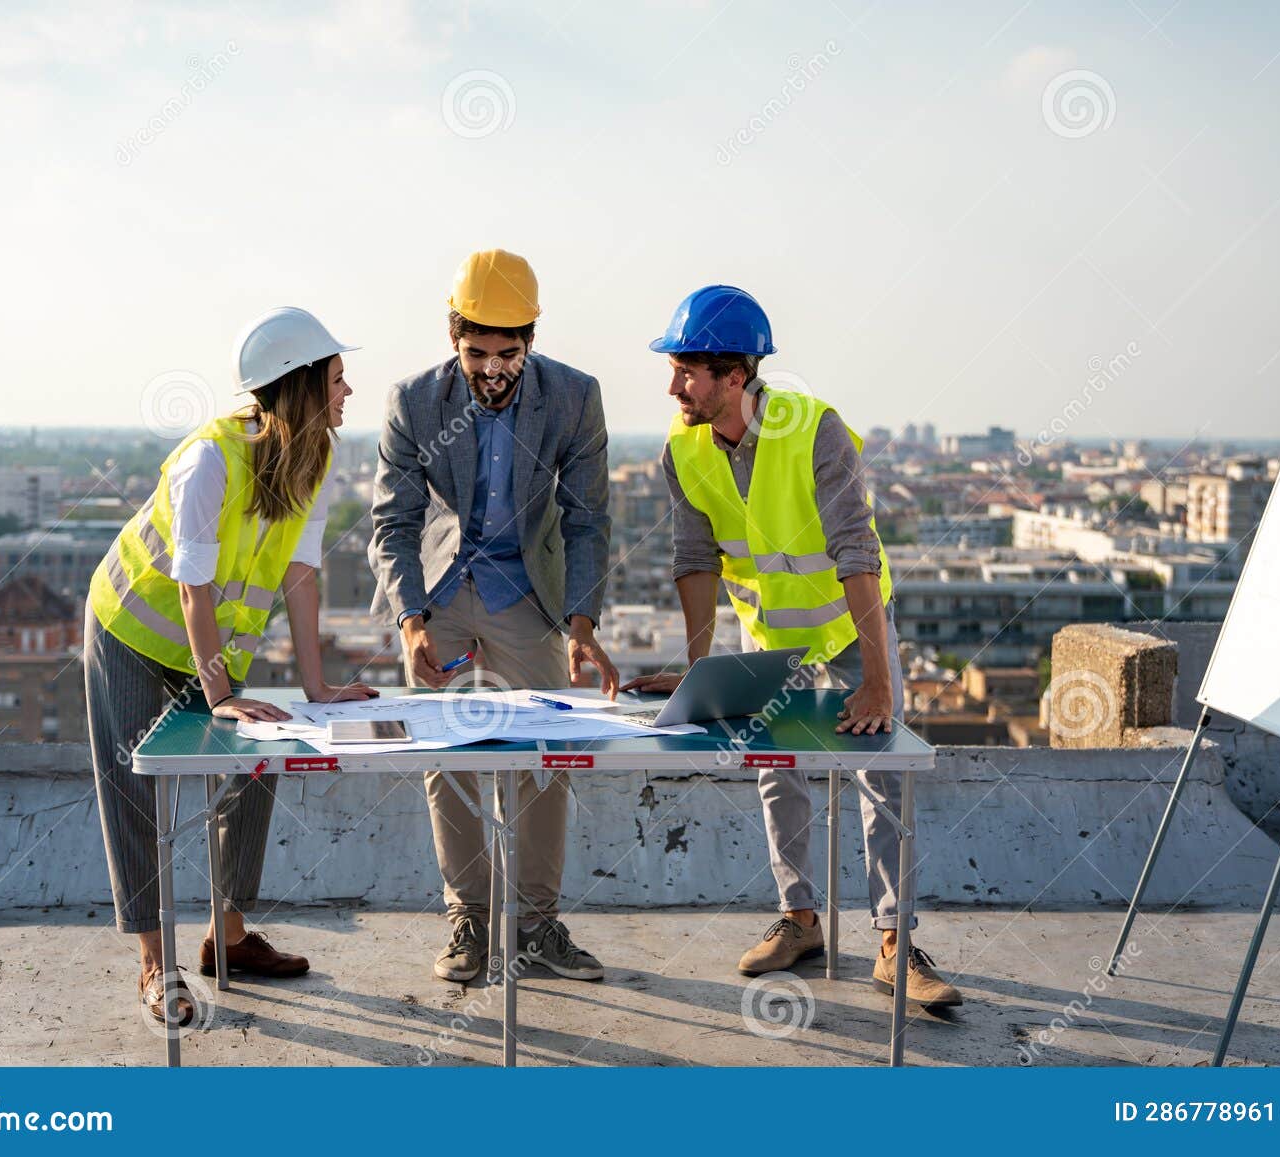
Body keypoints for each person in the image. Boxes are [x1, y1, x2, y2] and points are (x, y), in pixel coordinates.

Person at [623, 285, 962, 1007]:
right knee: (776, 772)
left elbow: (855, 552)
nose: (674, 384)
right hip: (769, 636)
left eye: (687, 369)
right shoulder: (682, 451)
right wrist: (698, 673)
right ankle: (801, 919)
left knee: (883, 771)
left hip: (848, 626)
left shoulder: (815, 431)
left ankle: (898, 941)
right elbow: (695, 559)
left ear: (735, 374)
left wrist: (876, 679)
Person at [85, 306, 379, 1025]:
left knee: (254, 765)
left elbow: (301, 576)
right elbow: (191, 585)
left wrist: (317, 687)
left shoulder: (317, 458)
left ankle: (230, 938)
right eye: (338, 379)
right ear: (302, 385)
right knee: (134, 785)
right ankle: (157, 963)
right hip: (131, 626)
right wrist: (219, 695)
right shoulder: (210, 458)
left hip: (210, 645)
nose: (349, 392)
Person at [369, 248, 618, 983]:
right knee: (444, 753)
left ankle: (537, 926)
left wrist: (582, 627)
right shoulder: (414, 400)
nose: (493, 371)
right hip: (443, 587)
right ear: (454, 340)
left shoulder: (574, 398)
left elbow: (587, 520)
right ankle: (470, 921)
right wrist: (411, 623)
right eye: (476, 354)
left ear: (531, 341)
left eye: (508, 354)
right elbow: (392, 522)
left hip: (527, 587)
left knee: (547, 756)